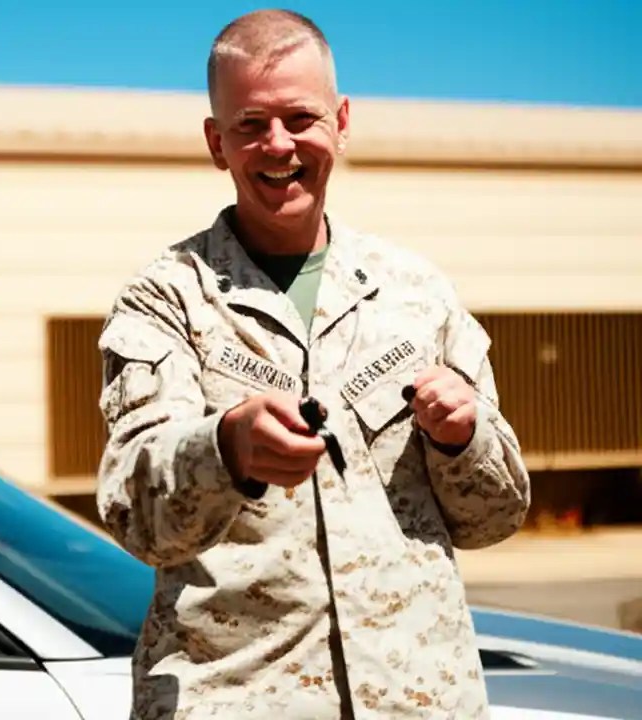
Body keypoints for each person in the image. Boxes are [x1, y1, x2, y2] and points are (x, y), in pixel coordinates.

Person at [95, 9, 531, 719]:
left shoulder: (416, 292)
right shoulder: (165, 299)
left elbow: (497, 517)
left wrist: (463, 436)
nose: (279, 145)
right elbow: (136, 514)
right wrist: (226, 446)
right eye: (250, 125)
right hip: (239, 700)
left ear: (341, 120)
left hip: (419, 700)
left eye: (301, 118)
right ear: (217, 142)